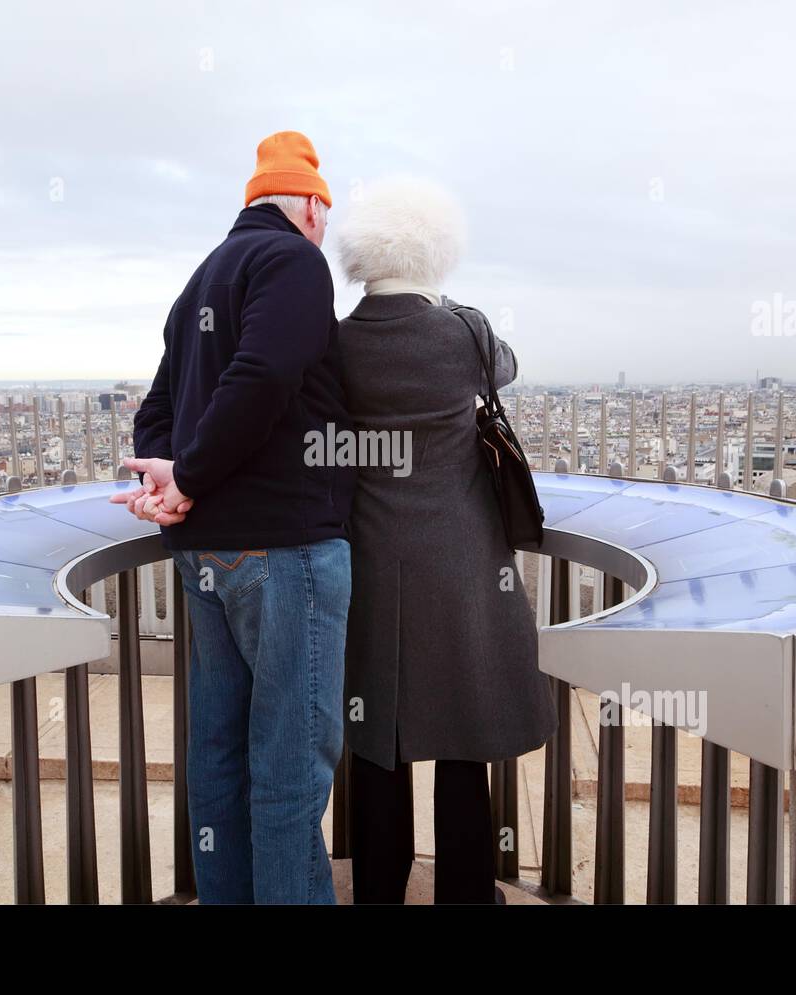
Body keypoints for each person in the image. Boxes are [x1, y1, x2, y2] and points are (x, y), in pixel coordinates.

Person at [112, 131, 356, 904]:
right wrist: (185, 475)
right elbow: (265, 373)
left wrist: (171, 483)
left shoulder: (200, 280)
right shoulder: (293, 262)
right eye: (325, 209)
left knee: (219, 758)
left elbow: (157, 407)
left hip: (207, 553)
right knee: (288, 770)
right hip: (284, 546)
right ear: (311, 205)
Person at [333, 178, 557, 904]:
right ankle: (467, 892)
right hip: (461, 557)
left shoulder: (338, 341)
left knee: (379, 742)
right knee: (464, 735)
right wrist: (451, 305)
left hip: (369, 554)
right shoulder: (462, 330)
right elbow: (506, 370)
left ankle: (378, 891)